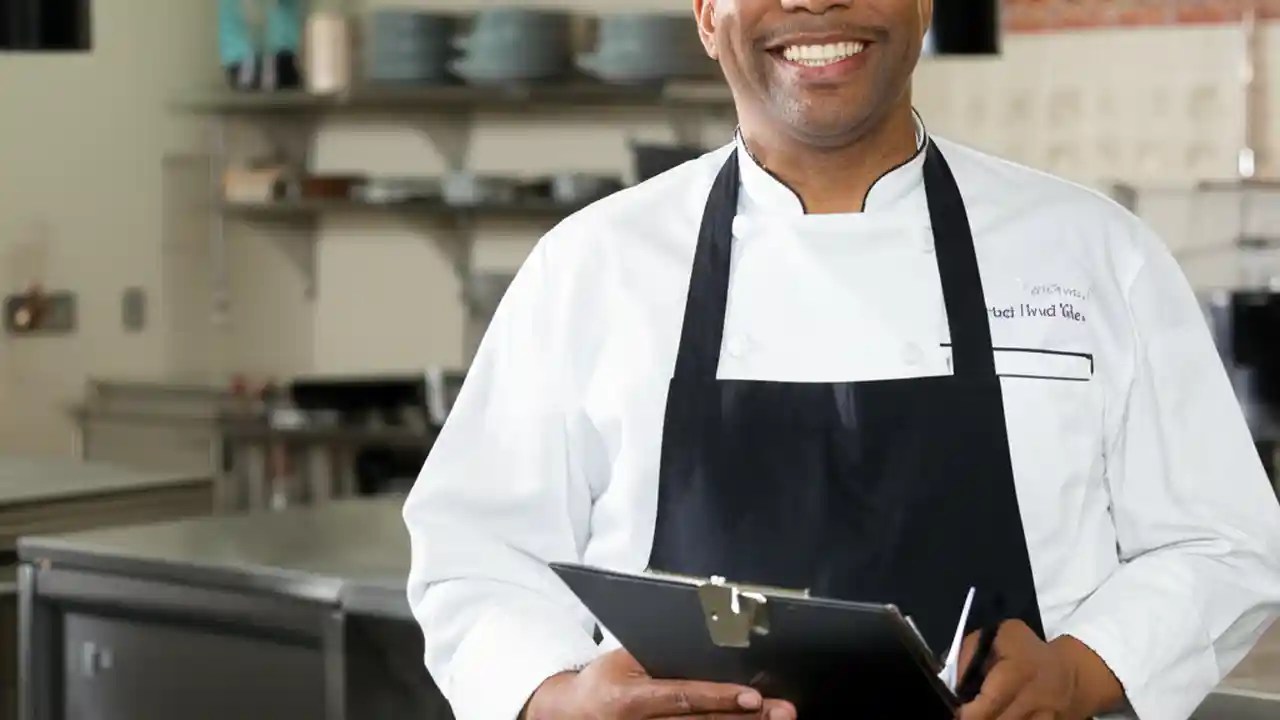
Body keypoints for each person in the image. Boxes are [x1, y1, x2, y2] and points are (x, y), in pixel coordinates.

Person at [403, 1, 1280, 719]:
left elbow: (1222, 542)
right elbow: (477, 553)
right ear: (707, 14)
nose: (815, 0)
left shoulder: (1095, 255)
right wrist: (556, 700)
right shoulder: (591, 267)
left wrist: (1082, 672)